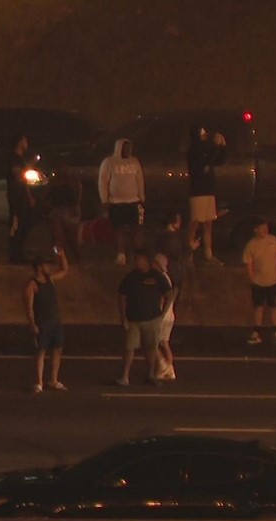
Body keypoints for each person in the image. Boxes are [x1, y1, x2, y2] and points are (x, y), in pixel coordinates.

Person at [116, 250, 171, 386]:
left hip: (152, 318)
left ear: (146, 260)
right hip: (134, 319)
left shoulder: (157, 277)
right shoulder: (131, 277)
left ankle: (151, 374)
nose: (136, 262)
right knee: (129, 347)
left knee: (151, 348)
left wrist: (162, 314)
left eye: (139, 259)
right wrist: (123, 317)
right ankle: (125, 376)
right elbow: (122, 296)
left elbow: (169, 294)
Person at [24, 248, 70, 393]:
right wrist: (32, 325)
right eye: (46, 265)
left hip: (55, 321)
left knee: (57, 349)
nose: (48, 267)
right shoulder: (32, 285)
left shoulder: (50, 279)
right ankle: (39, 382)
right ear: (39, 267)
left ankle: (54, 379)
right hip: (42, 323)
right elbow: (29, 308)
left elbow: (64, 270)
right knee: (41, 352)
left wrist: (62, 256)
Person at [99, 138, 146, 266]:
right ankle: (121, 255)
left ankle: (138, 256)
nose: (128, 150)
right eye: (126, 148)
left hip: (134, 202)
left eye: (130, 148)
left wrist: (142, 198)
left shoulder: (135, 162)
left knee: (137, 229)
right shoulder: (109, 162)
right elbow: (103, 182)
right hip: (116, 202)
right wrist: (104, 200)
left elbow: (140, 180)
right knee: (119, 230)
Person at [186, 126, 228, 265]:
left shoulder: (205, 151)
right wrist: (215, 147)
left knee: (208, 224)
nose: (205, 138)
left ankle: (208, 254)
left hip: (209, 192)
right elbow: (206, 161)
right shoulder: (193, 153)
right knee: (195, 224)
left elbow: (219, 160)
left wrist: (222, 146)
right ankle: (189, 254)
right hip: (198, 193)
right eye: (202, 135)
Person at [242, 220, 276, 346]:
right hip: (258, 282)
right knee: (258, 306)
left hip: (274, 281)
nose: (265, 231)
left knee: (274, 306)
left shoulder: (273, 240)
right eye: (262, 228)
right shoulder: (251, 245)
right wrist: (252, 280)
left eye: (266, 228)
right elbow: (249, 265)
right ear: (255, 230)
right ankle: (256, 331)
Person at [7, 134, 36, 264]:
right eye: (24, 140)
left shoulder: (20, 158)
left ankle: (18, 250)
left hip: (21, 195)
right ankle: (14, 253)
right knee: (16, 223)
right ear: (19, 143)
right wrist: (29, 166)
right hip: (16, 195)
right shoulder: (14, 158)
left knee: (24, 222)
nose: (27, 143)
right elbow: (19, 176)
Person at [46, 165, 83, 263]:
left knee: (65, 238)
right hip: (61, 210)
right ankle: (60, 256)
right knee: (61, 238)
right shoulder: (69, 181)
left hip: (65, 210)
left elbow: (78, 193)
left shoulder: (57, 181)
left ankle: (67, 256)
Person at [152, 253, 179, 381]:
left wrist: (158, 312)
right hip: (170, 315)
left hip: (163, 315)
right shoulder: (167, 277)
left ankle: (163, 365)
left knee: (153, 342)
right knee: (165, 342)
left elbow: (162, 298)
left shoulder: (159, 278)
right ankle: (170, 369)